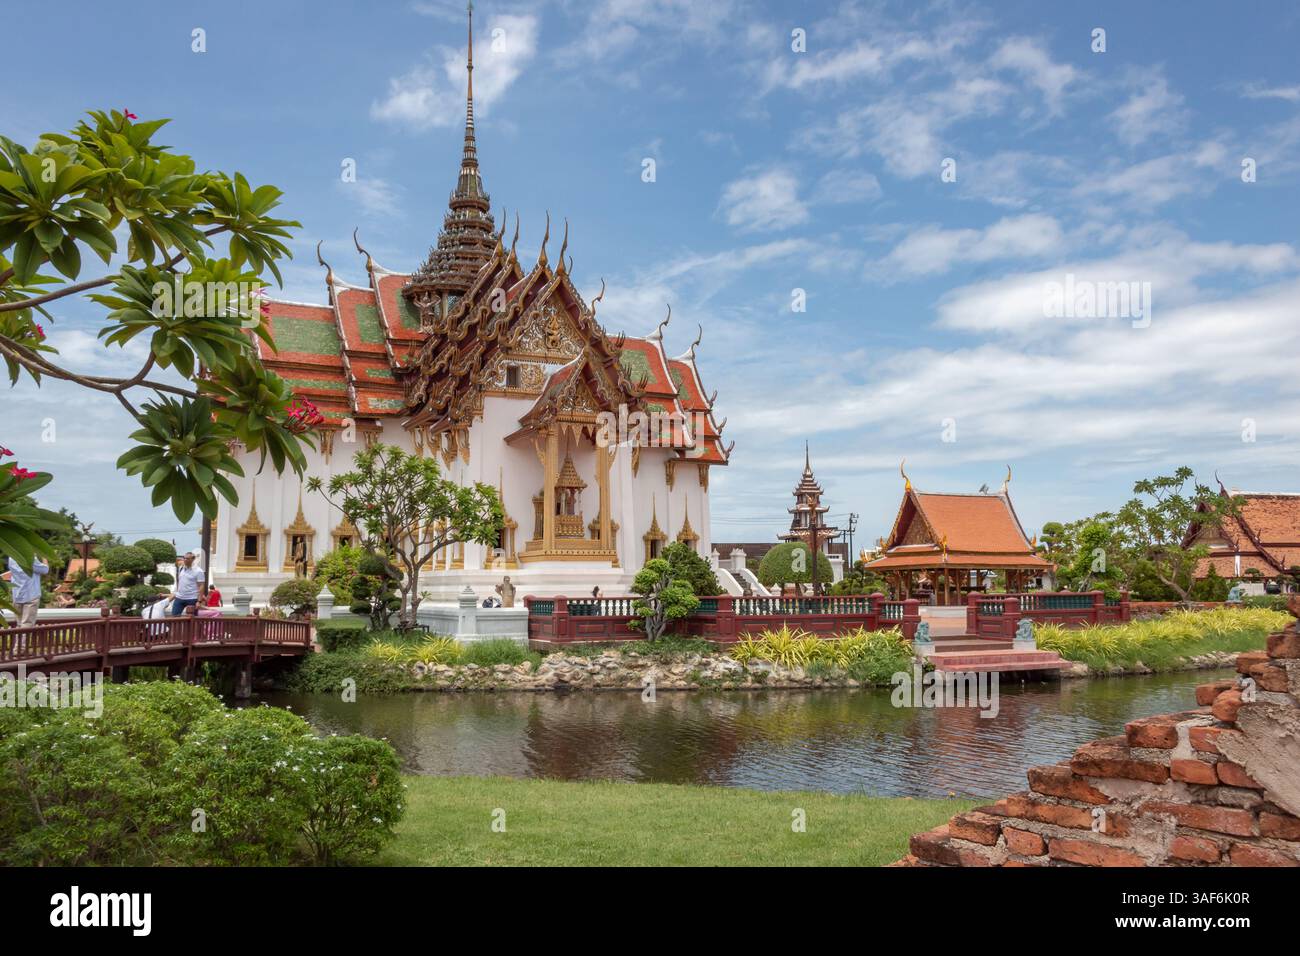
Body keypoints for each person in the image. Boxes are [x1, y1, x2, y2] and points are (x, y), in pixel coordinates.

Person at [4, 555, 49, 627]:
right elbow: (45, 570)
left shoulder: (12, 558)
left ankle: (18, 638)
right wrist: (44, 556)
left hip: (17, 595)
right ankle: (23, 639)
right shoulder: (30, 558)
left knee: (19, 624)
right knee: (27, 625)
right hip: (31, 595)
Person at [170, 551, 203, 617]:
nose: (185, 560)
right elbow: (177, 561)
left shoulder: (198, 571)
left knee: (192, 620)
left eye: (187, 558)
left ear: (193, 559)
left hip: (192, 599)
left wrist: (199, 601)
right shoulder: (181, 568)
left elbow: (201, 586)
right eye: (184, 558)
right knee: (174, 616)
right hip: (179, 597)